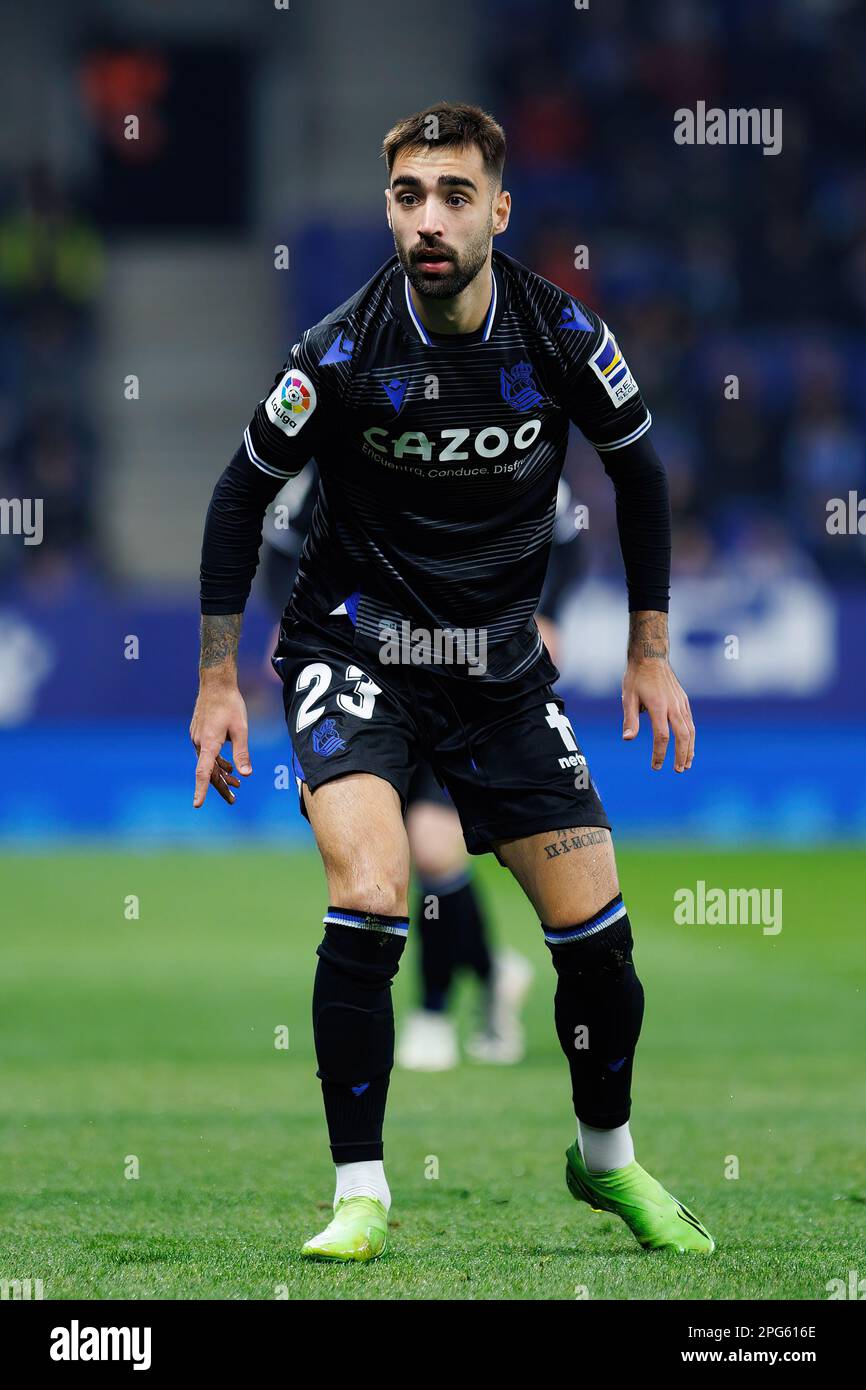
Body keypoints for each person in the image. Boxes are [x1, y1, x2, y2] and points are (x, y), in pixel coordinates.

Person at [192, 102, 712, 1262]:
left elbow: (639, 473)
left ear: (498, 210)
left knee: (596, 937)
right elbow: (239, 495)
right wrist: (219, 680)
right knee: (373, 890)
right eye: (409, 196)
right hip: (353, 651)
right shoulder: (336, 350)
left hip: (498, 669)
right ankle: (360, 1190)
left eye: (454, 195)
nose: (430, 219)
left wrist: (648, 647)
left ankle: (607, 1162)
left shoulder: (560, 335)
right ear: (389, 209)